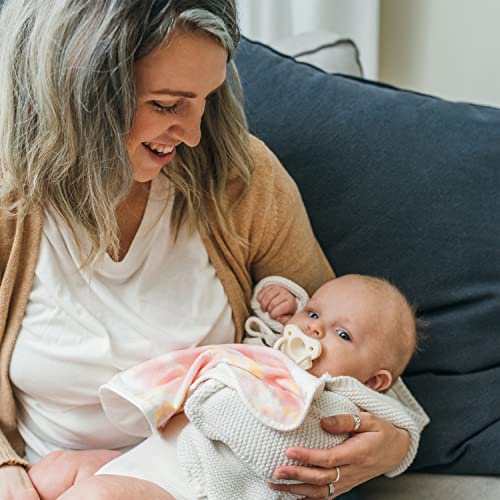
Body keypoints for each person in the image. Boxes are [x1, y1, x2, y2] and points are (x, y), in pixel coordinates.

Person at [0, 1, 415, 499]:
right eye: (166, 104)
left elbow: (349, 337)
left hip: (203, 477)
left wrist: (396, 441)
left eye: (206, 99)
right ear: (78, 92)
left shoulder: (241, 180)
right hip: (50, 475)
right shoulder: (13, 202)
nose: (195, 135)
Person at [28, 274, 429, 500]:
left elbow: (279, 447)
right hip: (150, 456)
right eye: (312, 313)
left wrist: (208, 395)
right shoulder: (273, 354)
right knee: (52, 471)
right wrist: (277, 294)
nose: (314, 329)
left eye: (341, 334)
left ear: (375, 381)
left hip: (193, 488)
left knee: (95, 496)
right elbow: (264, 321)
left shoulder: (337, 399)